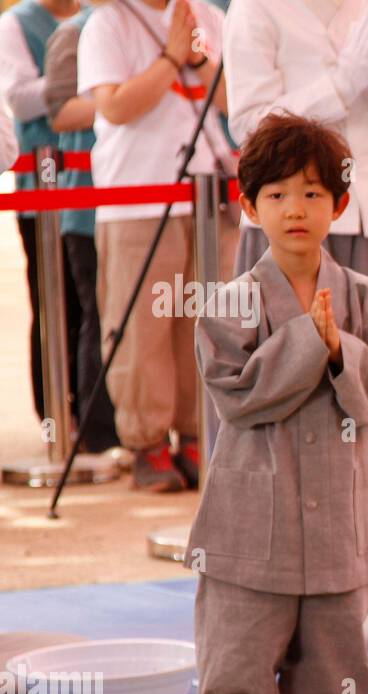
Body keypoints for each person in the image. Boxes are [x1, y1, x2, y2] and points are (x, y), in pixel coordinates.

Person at [183, 113, 368, 694]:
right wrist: (308, 344)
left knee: (335, 648)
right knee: (238, 651)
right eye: (280, 193)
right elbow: (237, 395)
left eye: (315, 193)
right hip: (248, 523)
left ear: (340, 207)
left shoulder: (365, 298)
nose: (297, 208)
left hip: (342, 518)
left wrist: (342, 347)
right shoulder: (227, 303)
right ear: (249, 204)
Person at [223, 0, 368, 514]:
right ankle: (276, 519)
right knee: (283, 368)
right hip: (290, 220)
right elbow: (251, 125)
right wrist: (341, 88)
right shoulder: (255, 8)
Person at [78, 0, 239, 492]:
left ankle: (197, 435)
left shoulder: (211, 18)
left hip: (209, 195)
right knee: (141, 327)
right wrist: (170, 58)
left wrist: (197, 62)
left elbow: (237, 99)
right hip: (137, 196)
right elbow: (114, 106)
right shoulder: (108, 23)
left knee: (207, 322)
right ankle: (146, 444)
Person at [0, 0, 87, 433]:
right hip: (41, 191)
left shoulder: (96, 14)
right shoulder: (15, 24)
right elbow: (17, 97)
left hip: (93, 189)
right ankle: (55, 419)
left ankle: (91, 415)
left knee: (89, 306)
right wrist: (79, 80)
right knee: (52, 304)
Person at [44, 0, 120, 454]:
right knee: (100, 318)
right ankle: (98, 431)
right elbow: (60, 112)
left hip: (146, 203)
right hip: (87, 208)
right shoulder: (73, 32)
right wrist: (119, 95)